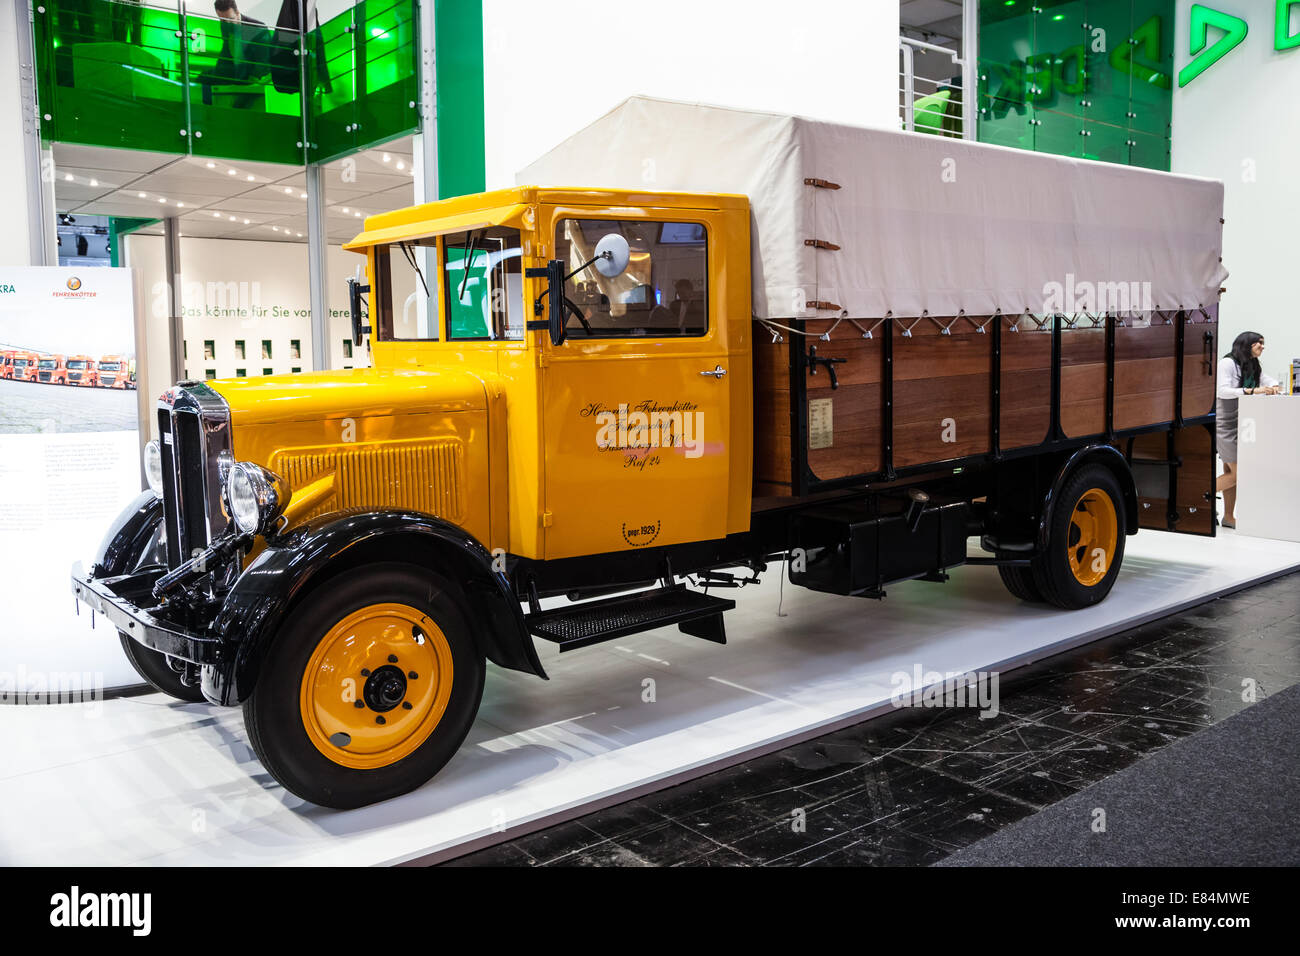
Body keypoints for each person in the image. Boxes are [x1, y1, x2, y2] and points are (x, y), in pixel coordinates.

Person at [1216, 331, 1281, 528]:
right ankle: (1198, 497)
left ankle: (1228, 516)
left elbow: (1266, 380)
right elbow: (1222, 391)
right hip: (1225, 423)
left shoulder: (1252, 365)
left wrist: (1273, 386)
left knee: (1230, 470)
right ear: (1246, 345)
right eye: (1258, 343)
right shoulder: (1227, 363)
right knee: (1239, 473)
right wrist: (1252, 390)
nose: (1262, 347)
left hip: (1241, 422)